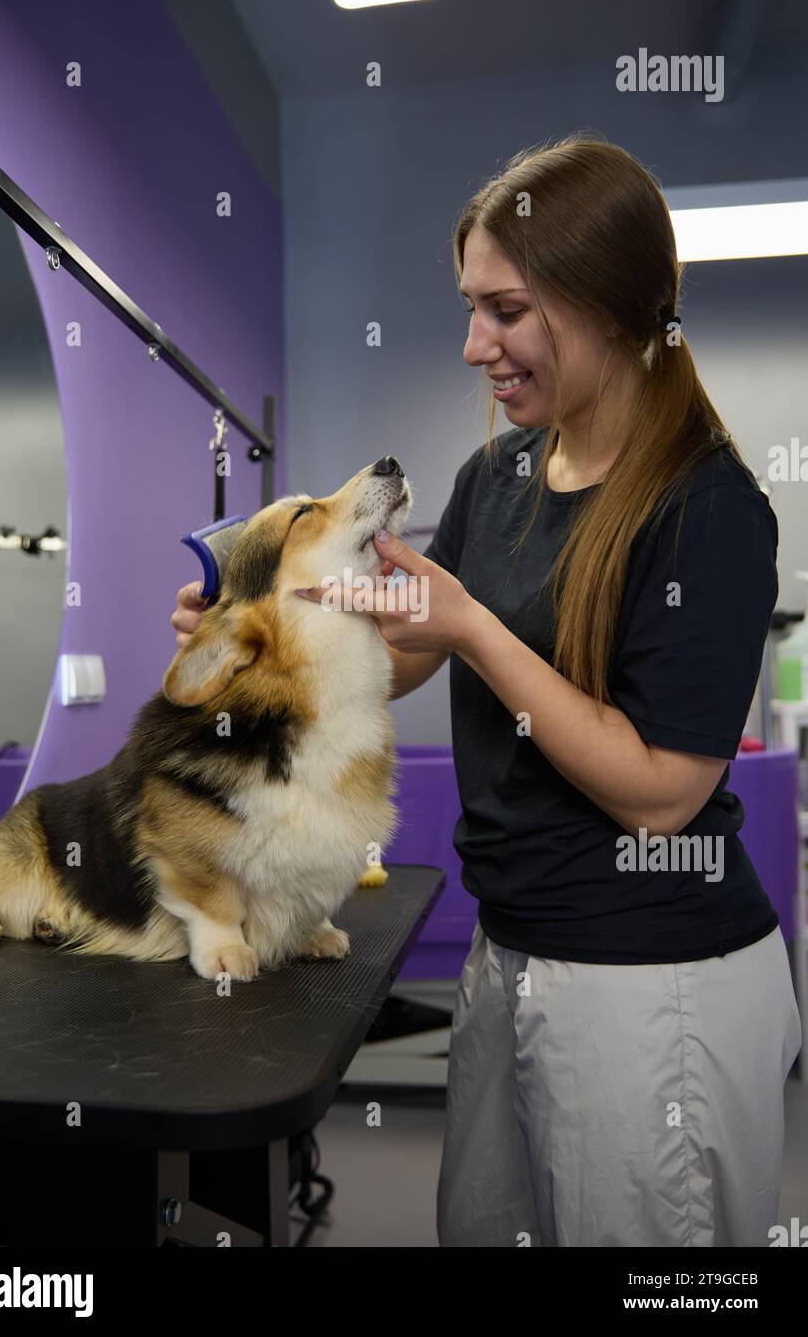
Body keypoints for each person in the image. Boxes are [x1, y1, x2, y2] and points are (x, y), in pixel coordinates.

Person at [171, 133, 802, 1248]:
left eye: (504, 311)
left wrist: (474, 627)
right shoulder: (500, 471)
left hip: (651, 984)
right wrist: (268, 625)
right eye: (471, 308)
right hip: (506, 947)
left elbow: (657, 794)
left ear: (607, 303)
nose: (475, 347)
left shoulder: (708, 511)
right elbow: (410, 648)